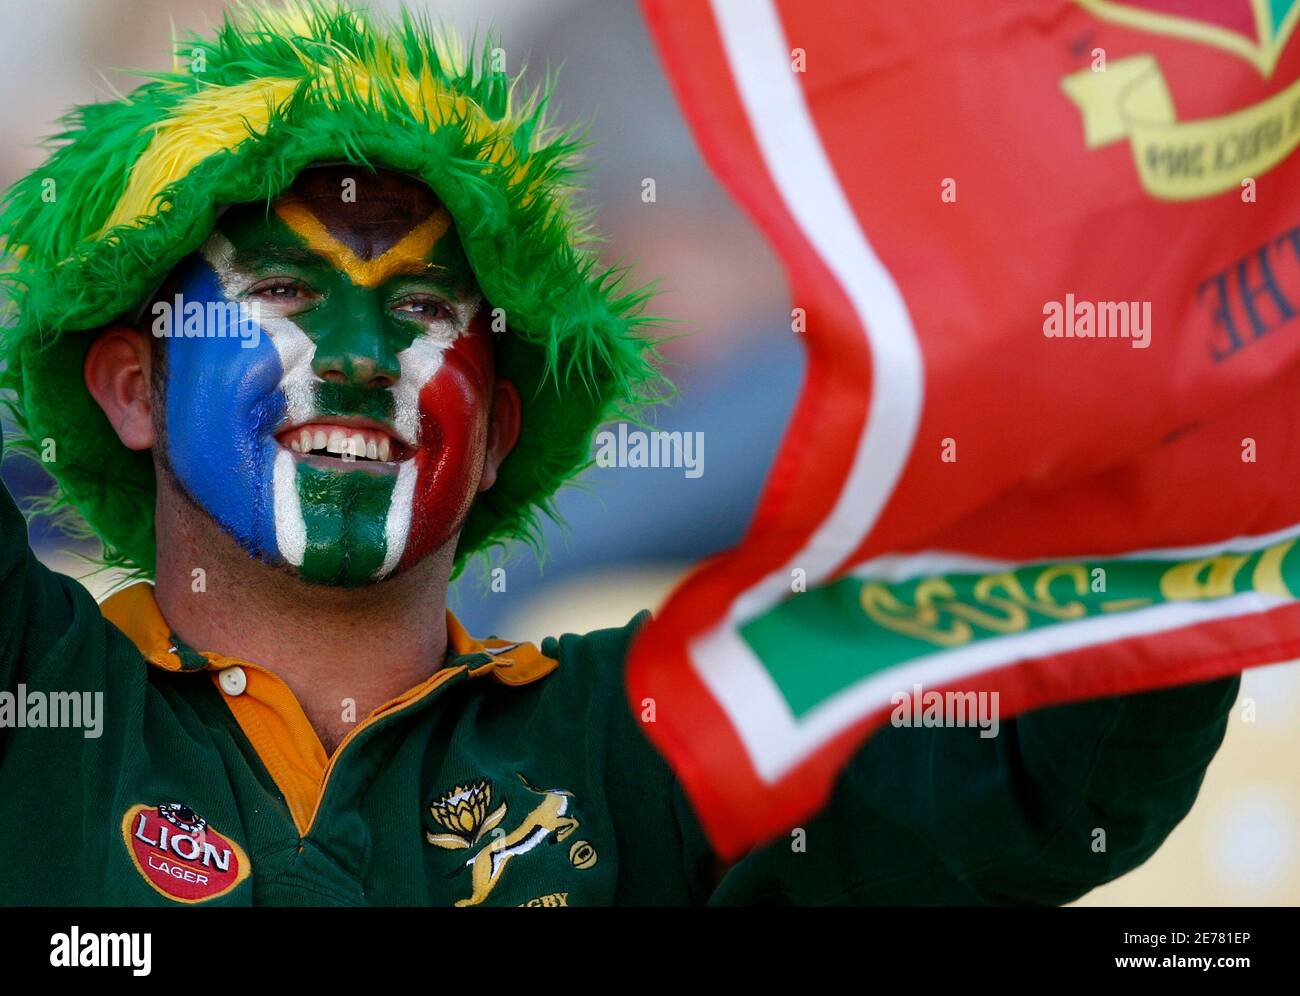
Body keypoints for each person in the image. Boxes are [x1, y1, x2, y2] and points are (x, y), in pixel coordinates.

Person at [0, 2, 1237, 906]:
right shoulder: (38, 696)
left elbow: (1043, 784)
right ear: (132, 386)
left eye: (428, 313)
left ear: (498, 436)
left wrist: (1181, 356)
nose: (365, 358)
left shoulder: (643, 742)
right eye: (279, 287)